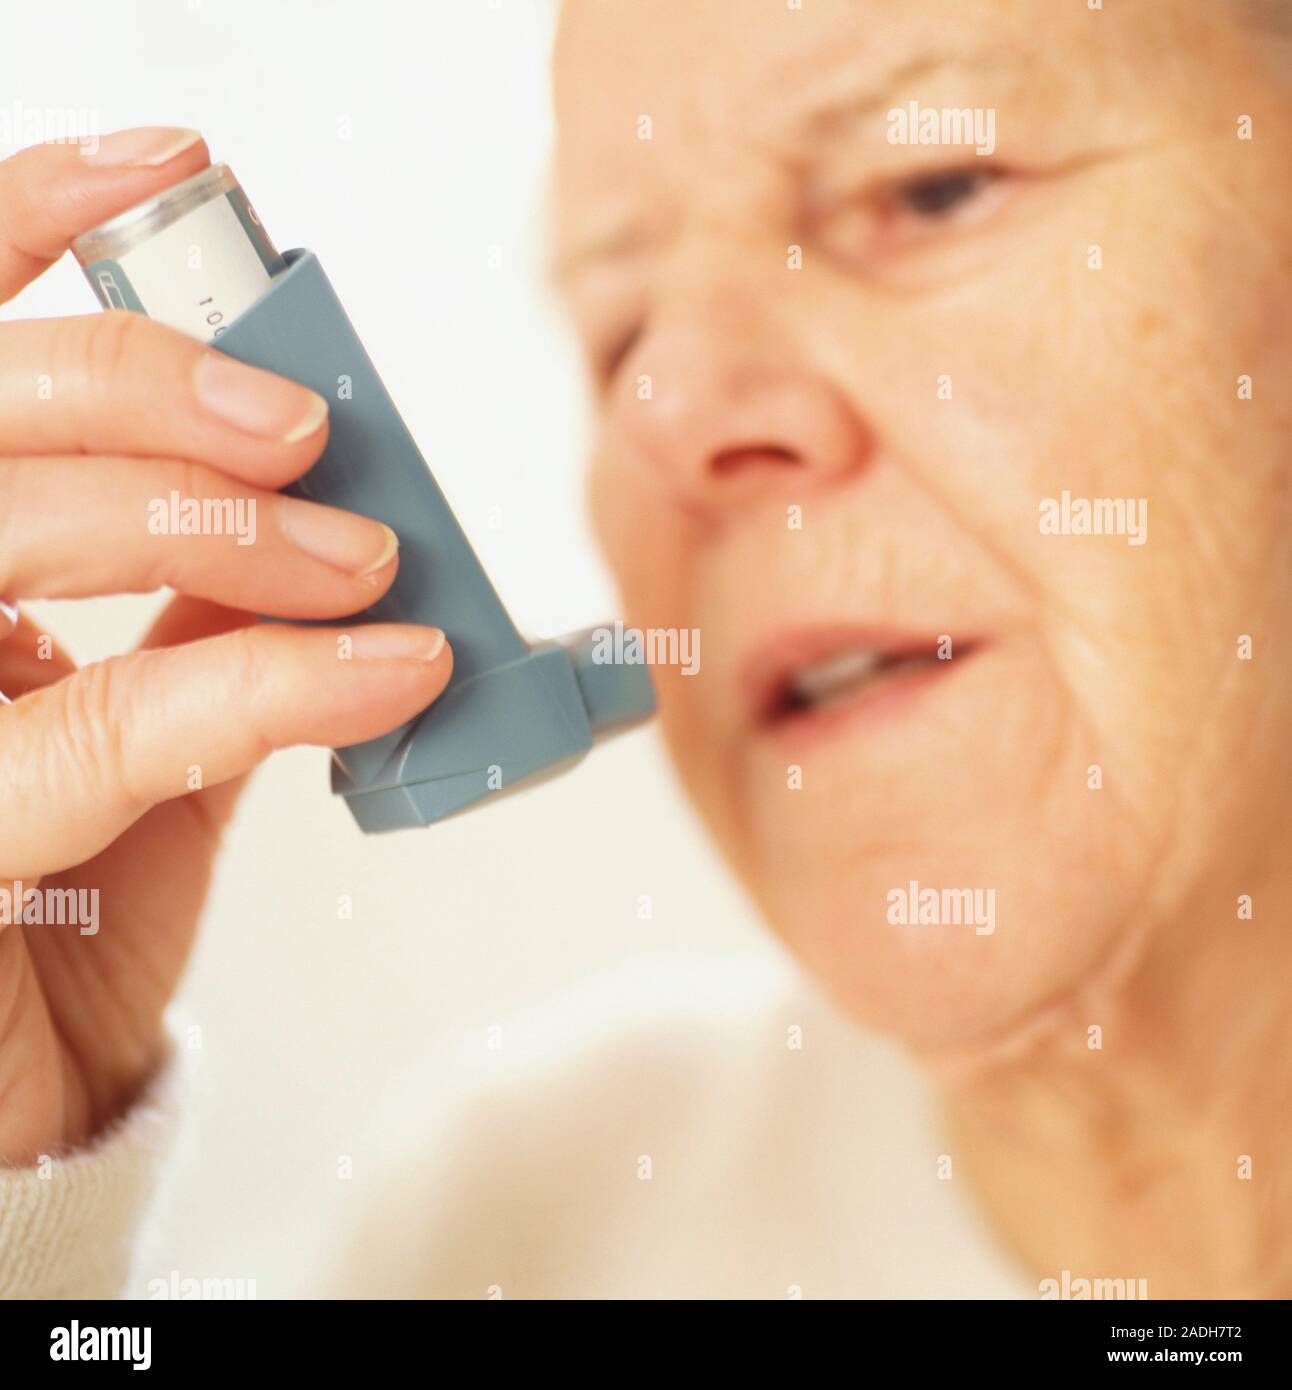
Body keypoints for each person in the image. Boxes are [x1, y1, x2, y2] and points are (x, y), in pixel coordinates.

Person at [2, 0, 1290, 1299]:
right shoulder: (511, 1223)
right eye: (621, 336)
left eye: (934, 187)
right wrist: (35, 1228)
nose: (670, 417)